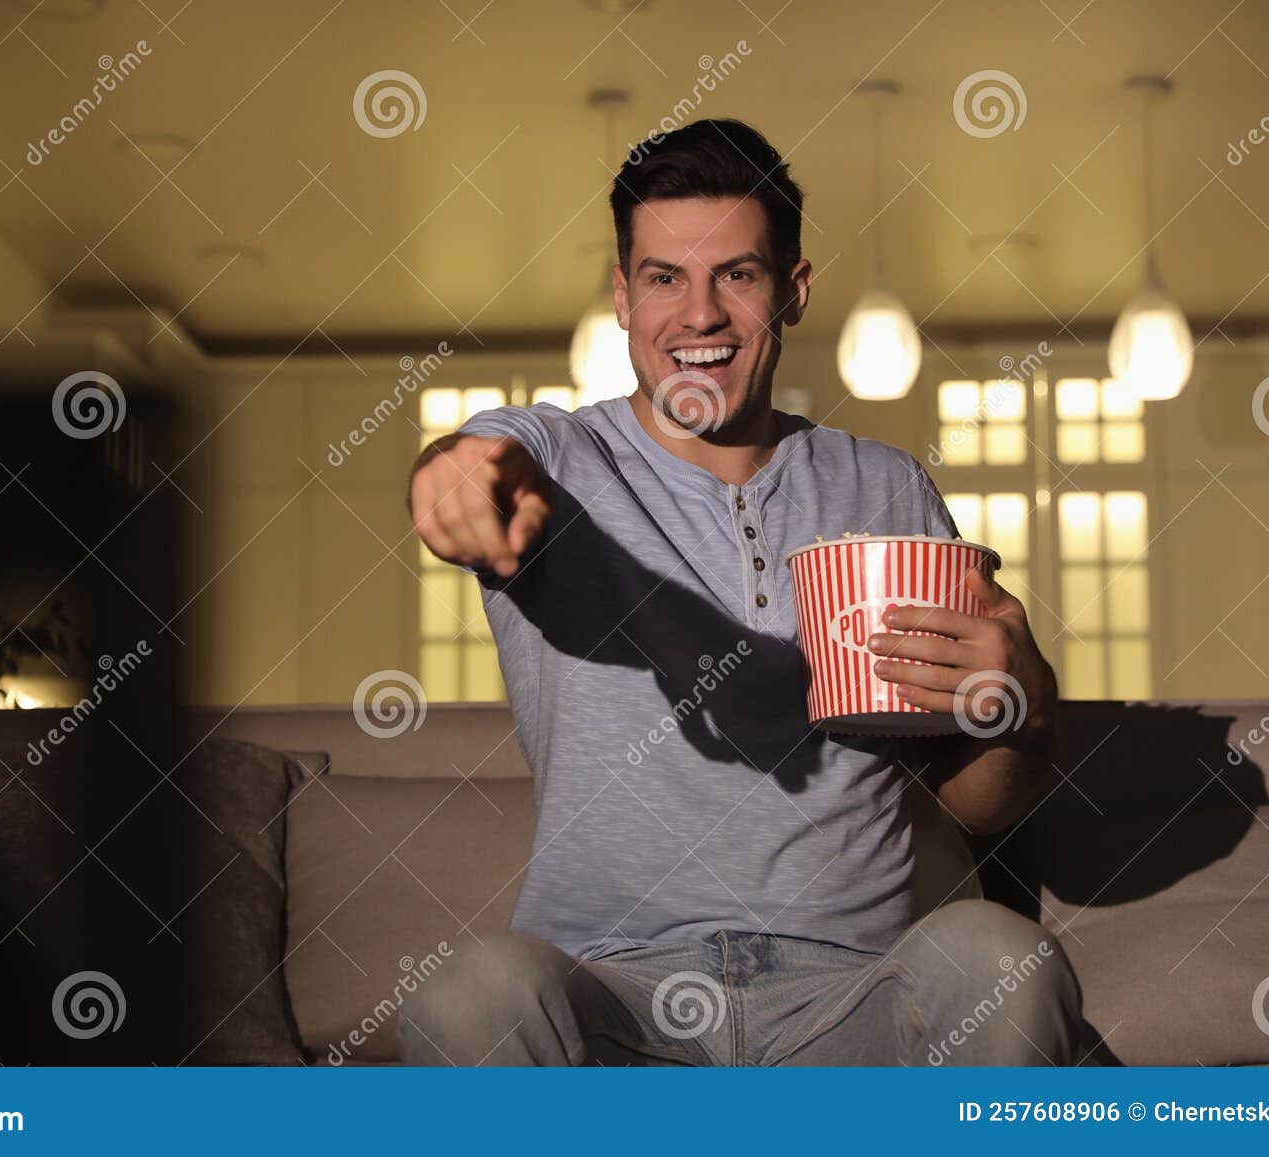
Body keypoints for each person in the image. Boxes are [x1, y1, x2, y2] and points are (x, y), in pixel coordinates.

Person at [400, 118, 1087, 1066]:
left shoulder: (886, 485)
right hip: (617, 996)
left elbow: (977, 802)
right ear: (622, 297)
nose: (700, 315)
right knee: (469, 994)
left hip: (852, 995)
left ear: (793, 291)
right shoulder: (562, 459)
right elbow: (475, 458)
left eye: (738, 274)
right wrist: (454, 479)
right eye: (664, 278)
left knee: (1004, 956)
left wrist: (1022, 704)